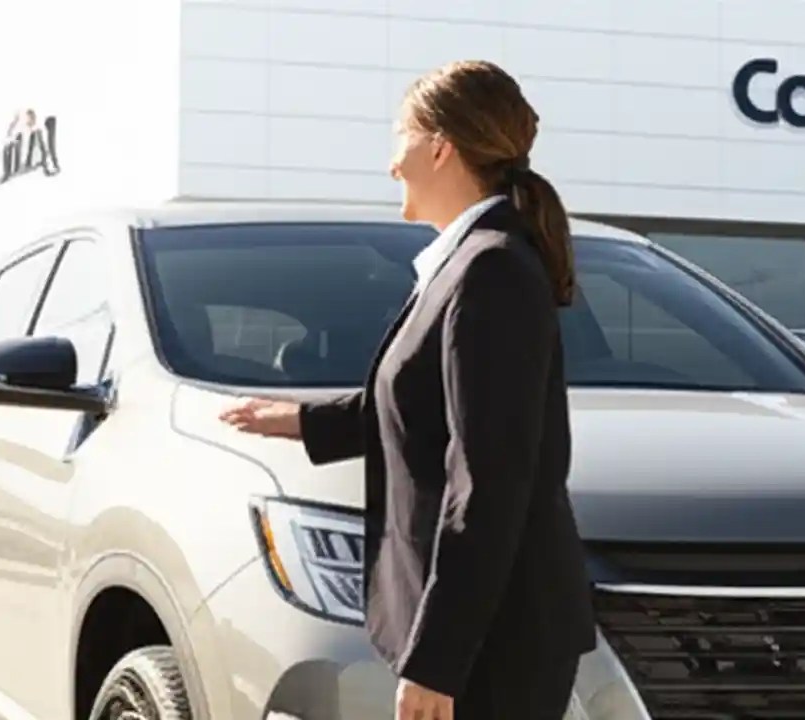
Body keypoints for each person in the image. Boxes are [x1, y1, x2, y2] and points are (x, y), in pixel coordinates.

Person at [220, 60, 596, 719]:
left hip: (494, 649)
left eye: (400, 136)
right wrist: (304, 421)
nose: (392, 163)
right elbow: (432, 406)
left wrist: (437, 662)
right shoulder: (469, 261)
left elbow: (489, 481)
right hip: (484, 638)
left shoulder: (490, 270)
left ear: (440, 147)